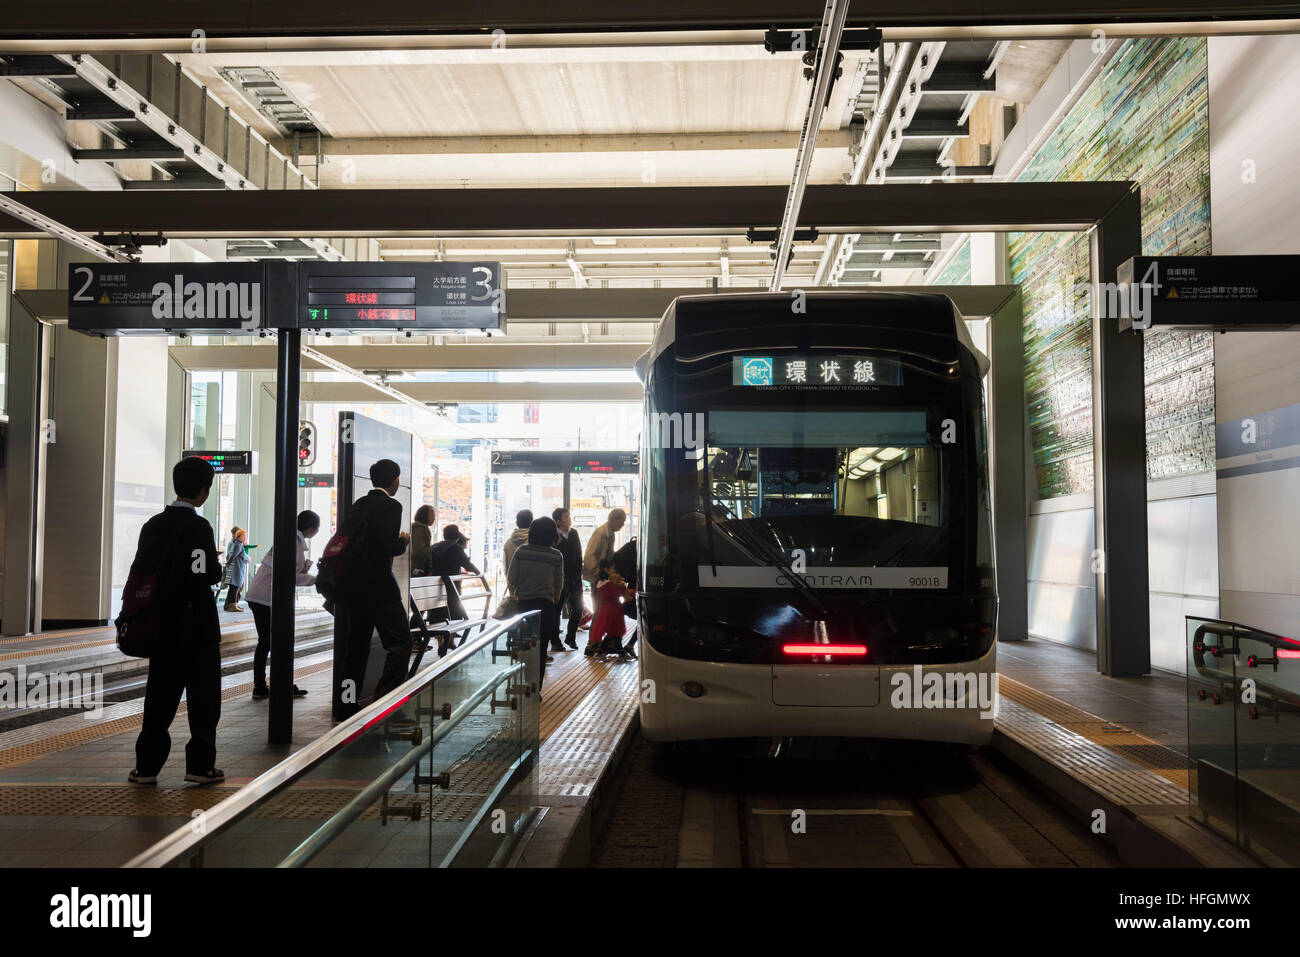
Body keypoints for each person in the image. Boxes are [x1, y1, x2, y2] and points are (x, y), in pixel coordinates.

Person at [128, 456, 224, 786]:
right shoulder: (198, 527)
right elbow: (206, 573)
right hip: (197, 628)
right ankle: (200, 767)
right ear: (203, 491)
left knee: (158, 699)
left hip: (161, 627)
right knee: (204, 701)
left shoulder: (152, 525)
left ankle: (146, 768)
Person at [336, 458, 412, 719]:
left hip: (352, 585)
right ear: (395, 480)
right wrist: (402, 541)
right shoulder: (391, 506)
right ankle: (386, 702)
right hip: (379, 584)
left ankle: (346, 704)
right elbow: (387, 546)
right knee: (402, 642)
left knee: (356, 647)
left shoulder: (359, 505)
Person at [246, 510, 320, 700]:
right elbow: (290, 576)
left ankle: (270, 684)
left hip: (262, 596)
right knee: (272, 642)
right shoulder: (294, 544)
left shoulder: (290, 541)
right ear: (312, 528)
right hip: (266, 597)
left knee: (269, 642)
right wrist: (315, 579)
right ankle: (267, 685)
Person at [506, 516, 563, 689]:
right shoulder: (556, 555)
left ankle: (519, 685)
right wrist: (555, 596)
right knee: (540, 646)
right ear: (552, 534)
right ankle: (535, 688)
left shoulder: (522, 551)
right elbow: (558, 583)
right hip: (545, 606)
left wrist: (520, 588)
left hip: (523, 605)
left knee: (522, 646)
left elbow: (511, 578)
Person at [585, 558, 634, 659]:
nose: (614, 570)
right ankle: (620, 653)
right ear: (606, 569)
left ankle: (602, 652)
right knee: (614, 632)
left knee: (613, 633)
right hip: (610, 611)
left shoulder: (606, 582)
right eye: (612, 568)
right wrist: (623, 587)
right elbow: (616, 593)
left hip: (613, 609)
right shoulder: (605, 583)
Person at [430, 524, 481, 623]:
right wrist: (478, 572)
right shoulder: (455, 548)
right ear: (457, 537)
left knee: (439, 611)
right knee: (454, 609)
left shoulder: (435, 547)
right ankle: (452, 634)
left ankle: (443, 635)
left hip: (435, 584)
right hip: (451, 584)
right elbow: (466, 563)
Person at [582, 508, 626, 621]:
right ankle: (594, 637)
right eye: (622, 522)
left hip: (603, 576)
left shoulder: (611, 533)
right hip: (598, 577)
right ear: (614, 519)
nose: (623, 525)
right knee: (599, 609)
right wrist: (599, 572)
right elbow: (589, 556)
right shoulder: (601, 533)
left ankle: (598, 635)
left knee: (602, 609)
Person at [552, 507, 584, 651]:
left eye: (569, 515)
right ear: (558, 521)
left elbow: (578, 556)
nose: (569, 518)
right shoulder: (553, 536)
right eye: (566, 517)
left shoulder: (574, 533)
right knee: (556, 611)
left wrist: (577, 576)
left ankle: (570, 637)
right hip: (560, 580)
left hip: (575, 579)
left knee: (578, 608)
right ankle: (555, 641)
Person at [221, 527, 257, 612]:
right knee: (234, 587)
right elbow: (233, 555)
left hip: (236, 569)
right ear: (238, 536)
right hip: (236, 570)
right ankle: (232, 605)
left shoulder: (236, 544)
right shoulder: (238, 544)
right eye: (243, 536)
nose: (245, 538)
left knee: (233, 587)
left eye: (245, 536)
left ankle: (230, 605)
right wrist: (228, 562)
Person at [502, 509, 532, 588]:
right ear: (532, 523)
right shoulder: (535, 542)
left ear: (516, 523)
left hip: (514, 588)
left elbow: (505, 568)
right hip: (532, 589)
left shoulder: (508, 543)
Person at [411, 504, 436, 575]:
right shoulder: (419, 529)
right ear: (424, 515)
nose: (434, 518)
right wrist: (435, 547)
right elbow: (419, 551)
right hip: (416, 569)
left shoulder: (421, 528)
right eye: (432, 515)